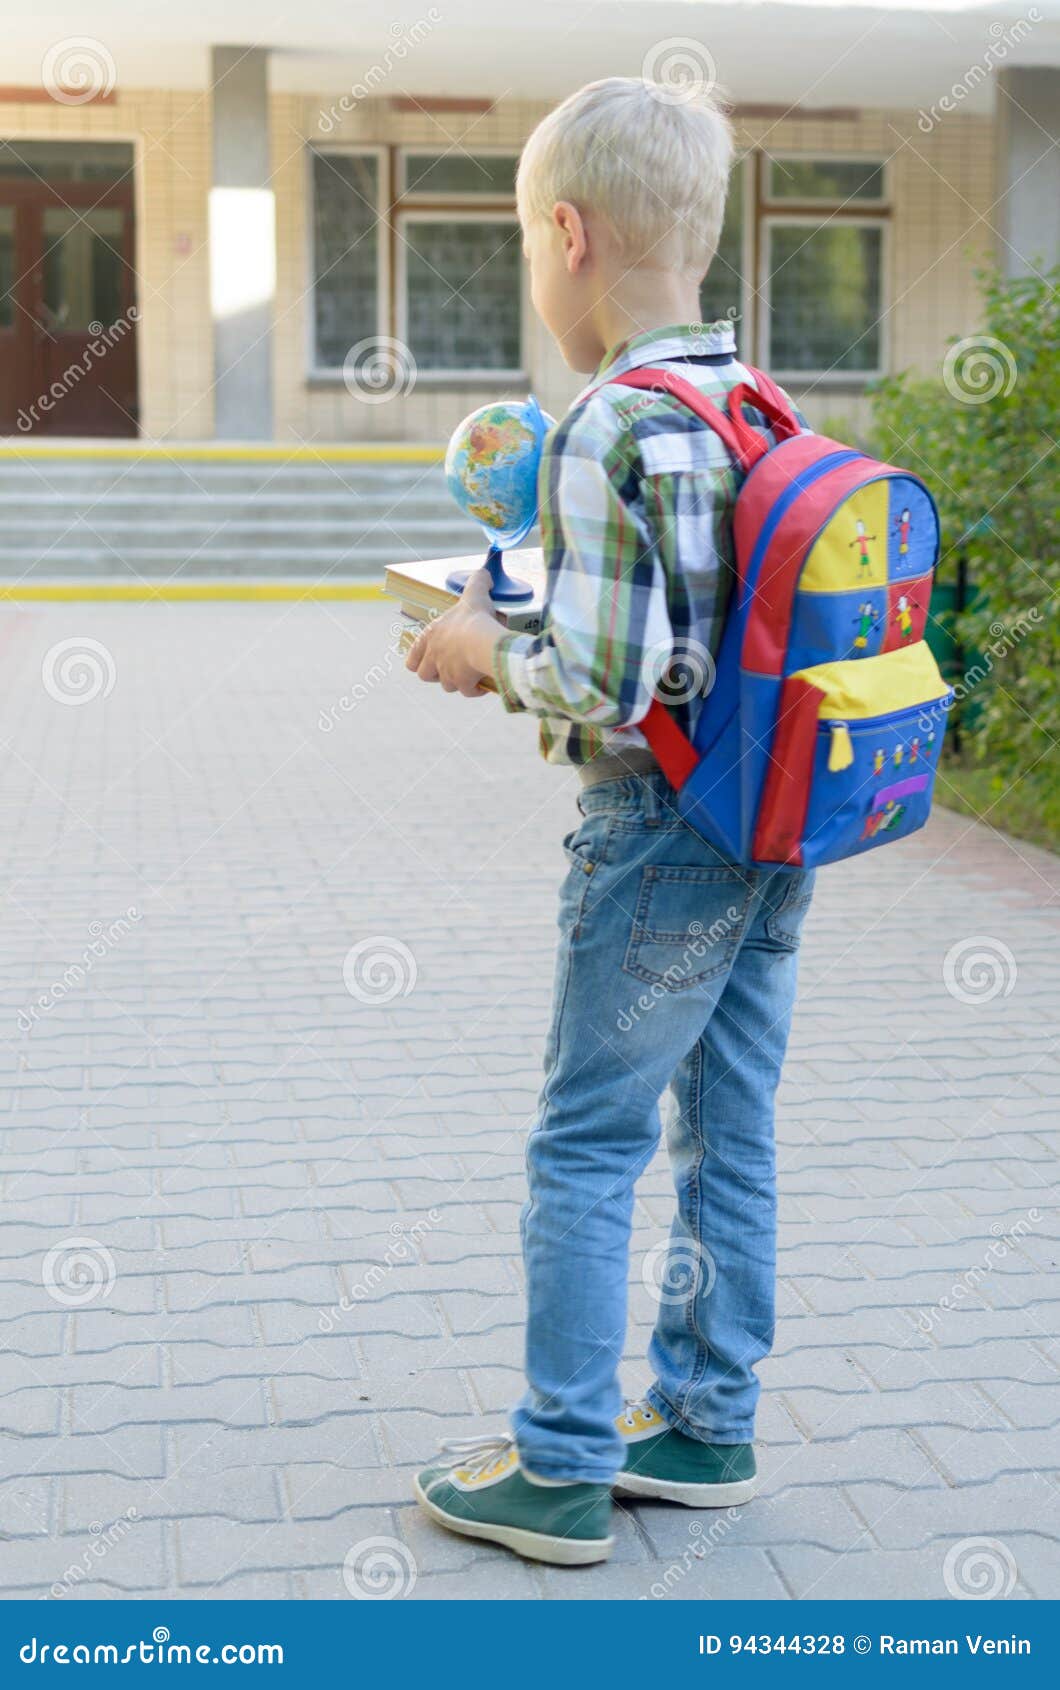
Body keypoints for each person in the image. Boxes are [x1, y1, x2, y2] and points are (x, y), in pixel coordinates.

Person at [405, 75, 815, 1567]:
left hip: (650, 836)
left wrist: (474, 644)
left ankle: (564, 1464)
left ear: (566, 234)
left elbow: (600, 667)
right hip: (771, 822)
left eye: (528, 245)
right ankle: (707, 1419)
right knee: (730, 1127)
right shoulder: (752, 399)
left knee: (583, 1143)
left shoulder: (609, 422)